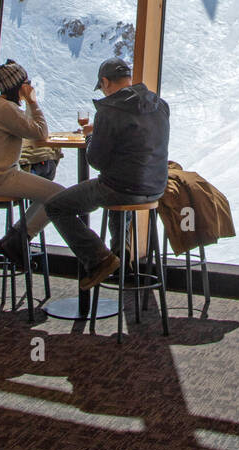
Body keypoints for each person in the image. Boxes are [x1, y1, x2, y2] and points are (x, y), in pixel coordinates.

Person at [0, 59, 115, 288]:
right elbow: (40, 131)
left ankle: (16, 239)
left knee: (54, 197)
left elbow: (30, 131)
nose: (30, 87)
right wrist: (33, 102)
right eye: (26, 83)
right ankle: (19, 240)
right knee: (58, 197)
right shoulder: (5, 109)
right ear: (19, 86)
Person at [44, 57, 170, 290]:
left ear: (105, 82)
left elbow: (96, 160)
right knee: (119, 194)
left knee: (55, 207)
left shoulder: (109, 110)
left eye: (101, 87)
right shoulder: (160, 105)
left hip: (121, 189)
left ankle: (100, 259)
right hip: (155, 188)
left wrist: (91, 136)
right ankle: (122, 262)